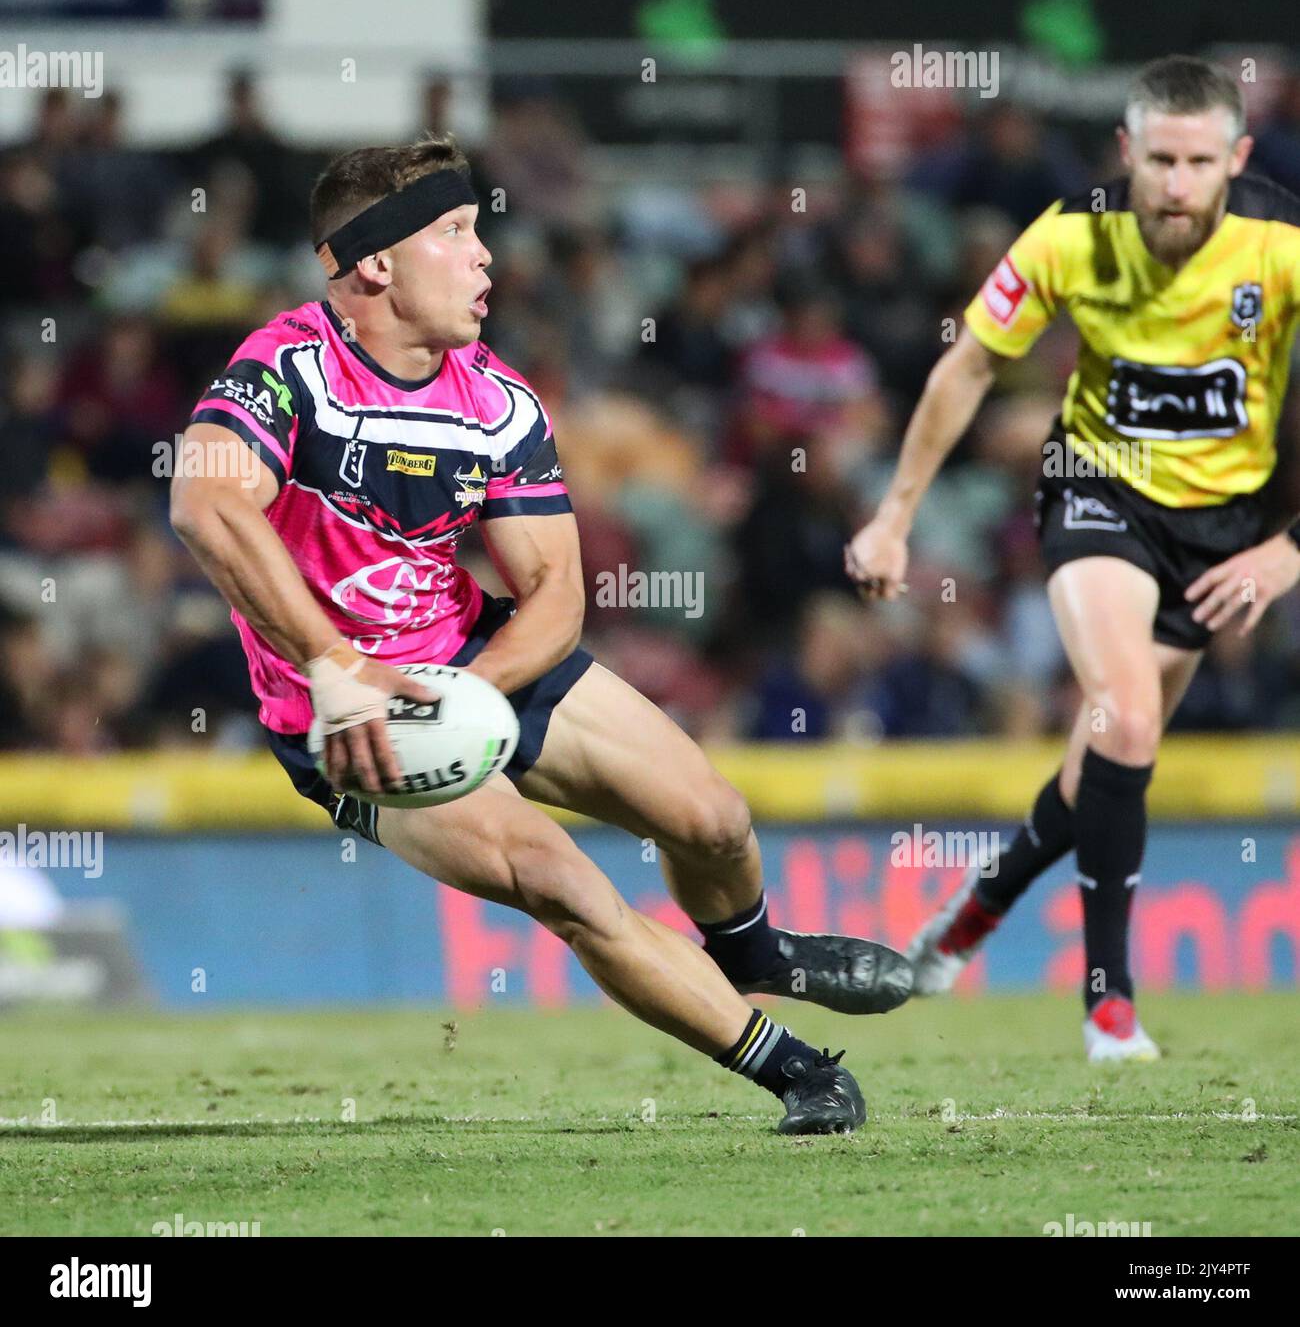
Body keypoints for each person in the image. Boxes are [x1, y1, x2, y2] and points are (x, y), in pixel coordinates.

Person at [170, 135, 913, 1135]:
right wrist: (342, 671)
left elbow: (556, 592)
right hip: (343, 719)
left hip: (471, 663)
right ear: (375, 262)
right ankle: (800, 1070)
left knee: (713, 819)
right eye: (456, 234)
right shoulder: (290, 368)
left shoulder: (496, 399)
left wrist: (476, 687)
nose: (485, 257)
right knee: (561, 881)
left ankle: (756, 954)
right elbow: (206, 505)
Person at [845, 56, 1300, 1061]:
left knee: (1103, 760)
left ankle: (976, 909)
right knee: (1126, 714)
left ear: (1238, 157)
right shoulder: (1066, 235)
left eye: (1200, 163)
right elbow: (965, 366)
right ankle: (1110, 1004)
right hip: (1097, 492)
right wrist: (893, 516)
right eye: (1160, 161)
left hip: (1225, 526)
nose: (1178, 186)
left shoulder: (1282, 244)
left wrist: (1283, 553)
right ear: (1126, 150)